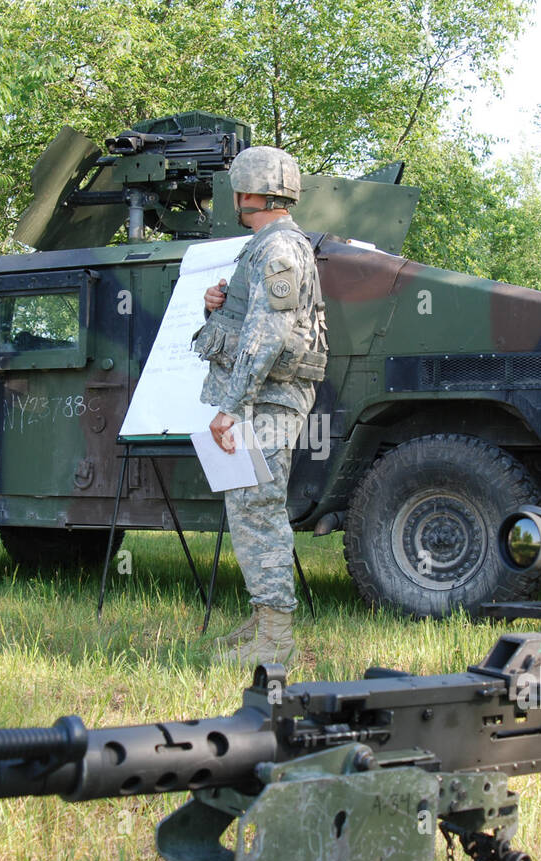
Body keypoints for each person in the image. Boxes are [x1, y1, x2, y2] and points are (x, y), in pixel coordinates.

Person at [194, 145, 327, 666]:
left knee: (260, 509)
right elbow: (259, 317)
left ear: (249, 192)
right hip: (261, 398)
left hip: (268, 399)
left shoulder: (279, 250)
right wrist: (220, 304)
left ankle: (275, 641)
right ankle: (262, 618)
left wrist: (232, 407)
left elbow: (268, 334)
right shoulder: (267, 246)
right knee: (246, 507)